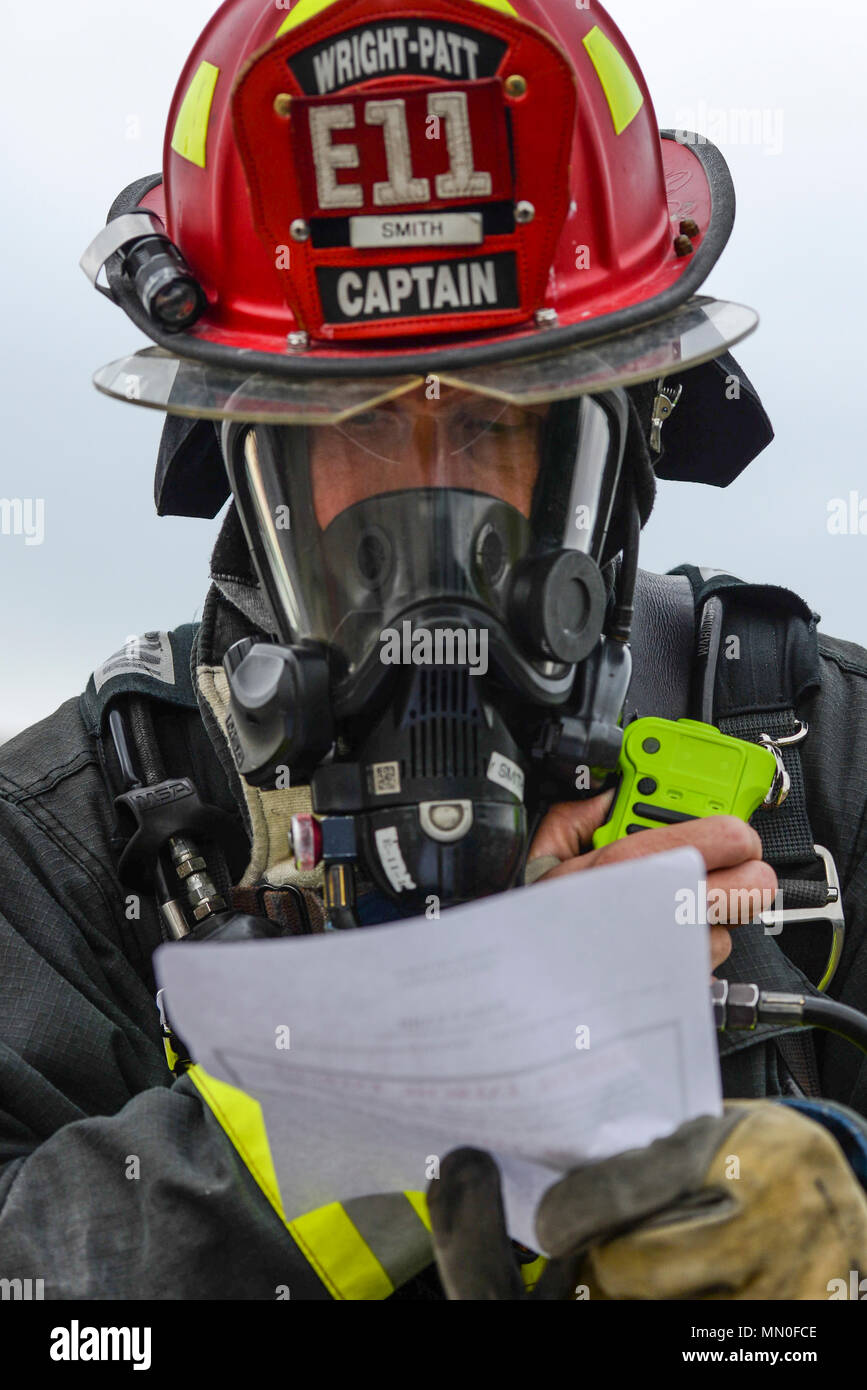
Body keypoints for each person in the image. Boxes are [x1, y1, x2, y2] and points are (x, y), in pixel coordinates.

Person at [3, 0, 867, 1301]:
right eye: (353, 427)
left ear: (610, 451)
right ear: (253, 465)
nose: (430, 523)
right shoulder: (82, 845)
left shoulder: (826, 763)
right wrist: (432, 1071)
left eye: (492, 424)